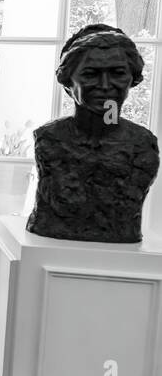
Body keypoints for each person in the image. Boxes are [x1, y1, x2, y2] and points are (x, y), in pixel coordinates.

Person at [26, 24, 159, 243]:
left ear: (132, 79)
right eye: (91, 74)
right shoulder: (49, 139)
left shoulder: (142, 146)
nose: (105, 86)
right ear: (68, 82)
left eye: (117, 73)